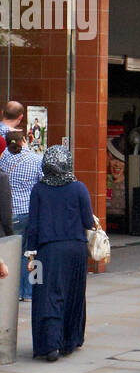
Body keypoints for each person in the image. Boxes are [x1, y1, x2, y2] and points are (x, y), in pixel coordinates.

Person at [23, 147, 94, 361]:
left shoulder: (39, 189)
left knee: (47, 294)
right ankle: (70, 341)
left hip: (47, 252)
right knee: (73, 293)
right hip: (75, 250)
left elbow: (33, 225)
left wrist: (30, 253)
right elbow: (88, 221)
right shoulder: (79, 188)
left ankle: (50, 344)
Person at [0, 129, 44, 300]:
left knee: (11, 253)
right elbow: (42, 182)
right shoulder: (36, 159)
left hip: (10, 212)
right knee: (30, 251)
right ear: (24, 140)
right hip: (29, 211)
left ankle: (14, 292)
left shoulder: (3, 160)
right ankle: (29, 292)